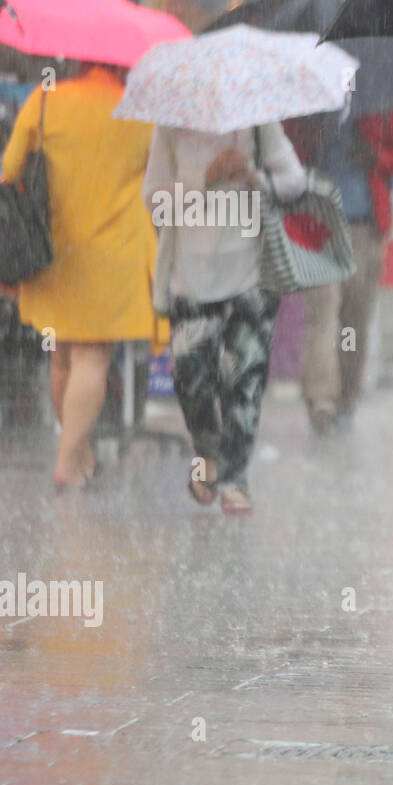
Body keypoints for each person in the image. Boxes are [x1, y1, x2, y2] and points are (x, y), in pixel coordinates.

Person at [1, 63, 165, 490]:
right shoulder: (139, 110)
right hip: (113, 253)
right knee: (92, 357)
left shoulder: (45, 99)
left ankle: (79, 453)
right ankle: (69, 463)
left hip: (54, 250)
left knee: (61, 356)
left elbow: (9, 170)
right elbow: (160, 181)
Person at [145, 120, 305, 514]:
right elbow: (153, 199)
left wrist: (254, 177)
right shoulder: (170, 125)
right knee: (190, 374)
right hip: (190, 277)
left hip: (250, 277)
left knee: (243, 376)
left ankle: (234, 477)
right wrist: (205, 179)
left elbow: (295, 182)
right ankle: (207, 455)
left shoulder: (258, 124)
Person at [289, 109, 393, 434]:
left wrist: (375, 157)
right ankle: (320, 400)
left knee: (353, 322)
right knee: (322, 317)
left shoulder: (381, 106)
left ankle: (346, 396)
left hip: (363, 228)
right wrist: (308, 145)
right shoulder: (311, 105)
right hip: (319, 226)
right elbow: (288, 158)